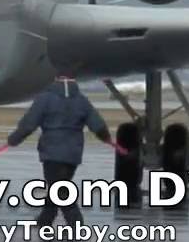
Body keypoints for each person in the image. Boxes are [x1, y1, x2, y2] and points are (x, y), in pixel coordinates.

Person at [7, 66, 111, 228]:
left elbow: (29, 124)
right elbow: (97, 125)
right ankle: (44, 221)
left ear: (55, 79)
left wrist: (14, 139)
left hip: (52, 153)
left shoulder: (44, 99)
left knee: (59, 189)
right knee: (58, 185)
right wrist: (107, 138)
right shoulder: (82, 100)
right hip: (73, 155)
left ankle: (76, 223)